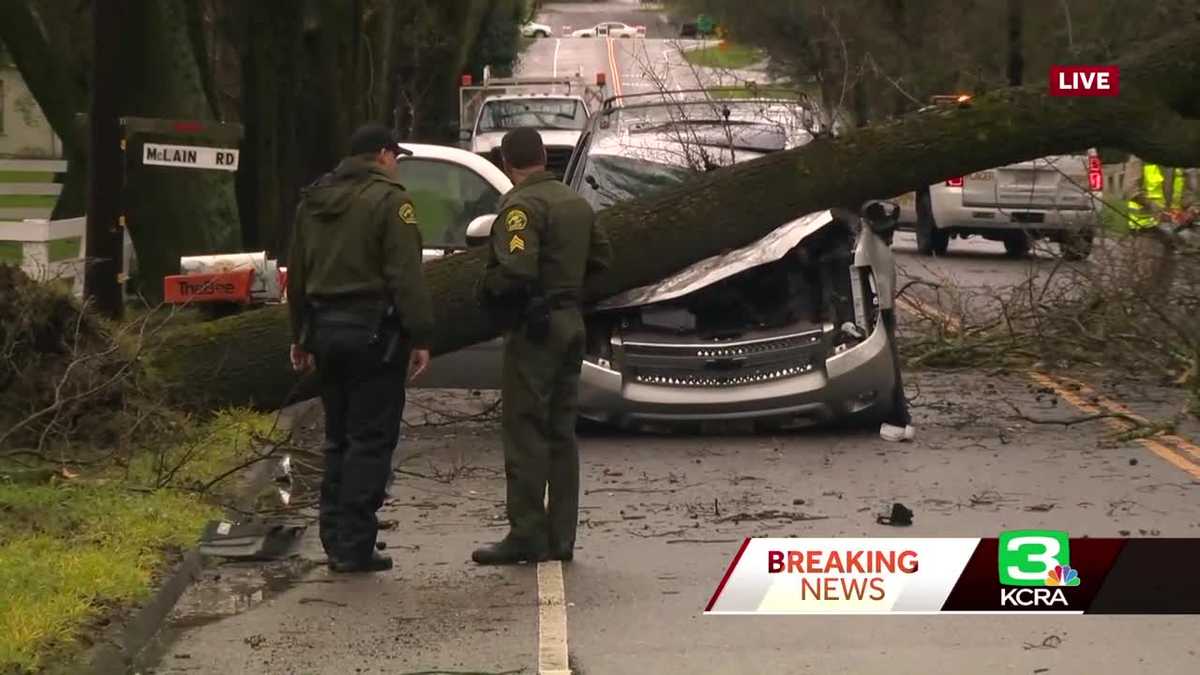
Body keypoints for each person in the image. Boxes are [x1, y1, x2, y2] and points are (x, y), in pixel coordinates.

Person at [287, 123, 434, 573]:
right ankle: (354, 545)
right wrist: (421, 335)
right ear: (384, 154)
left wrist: (300, 334)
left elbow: (298, 272)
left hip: (325, 331)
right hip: (375, 334)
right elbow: (405, 275)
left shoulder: (313, 201)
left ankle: (334, 537)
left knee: (337, 438)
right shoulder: (391, 202)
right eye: (396, 156)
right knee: (370, 440)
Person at [473, 127, 612, 565]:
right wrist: (571, 293)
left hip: (536, 328)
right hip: (571, 321)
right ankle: (562, 536)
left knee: (525, 429)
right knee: (561, 432)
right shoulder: (575, 203)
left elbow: (515, 269)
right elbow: (603, 260)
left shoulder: (521, 206)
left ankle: (527, 533)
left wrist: (487, 286)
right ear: (542, 159)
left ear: (507, 163)